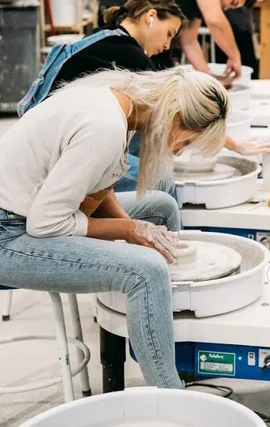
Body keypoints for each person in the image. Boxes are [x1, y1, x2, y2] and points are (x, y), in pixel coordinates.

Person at [0, 67, 230, 389]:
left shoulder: (120, 100)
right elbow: (46, 223)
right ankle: (173, 398)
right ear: (175, 115)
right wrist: (127, 230)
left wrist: (131, 226)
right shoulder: (105, 125)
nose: (178, 152)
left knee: (161, 207)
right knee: (146, 271)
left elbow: (94, 184)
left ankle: (168, 348)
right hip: (9, 235)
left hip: (26, 213)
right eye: (186, 142)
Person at [20, 0, 270, 192]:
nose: (166, 45)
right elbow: (180, 111)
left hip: (42, 140)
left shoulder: (107, 37)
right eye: (168, 33)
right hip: (52, 159)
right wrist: (233, 145)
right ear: (150, 17)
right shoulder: (130, 58)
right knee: (163, 185)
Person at [99, 0, 256, 80]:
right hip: (118, 10)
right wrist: (235, 57)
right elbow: (215, 20)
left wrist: (209, 78)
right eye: (233, 2)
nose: (227, 8)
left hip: (138, 16)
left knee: (165, 74)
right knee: (145, 77)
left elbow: (189, 42)